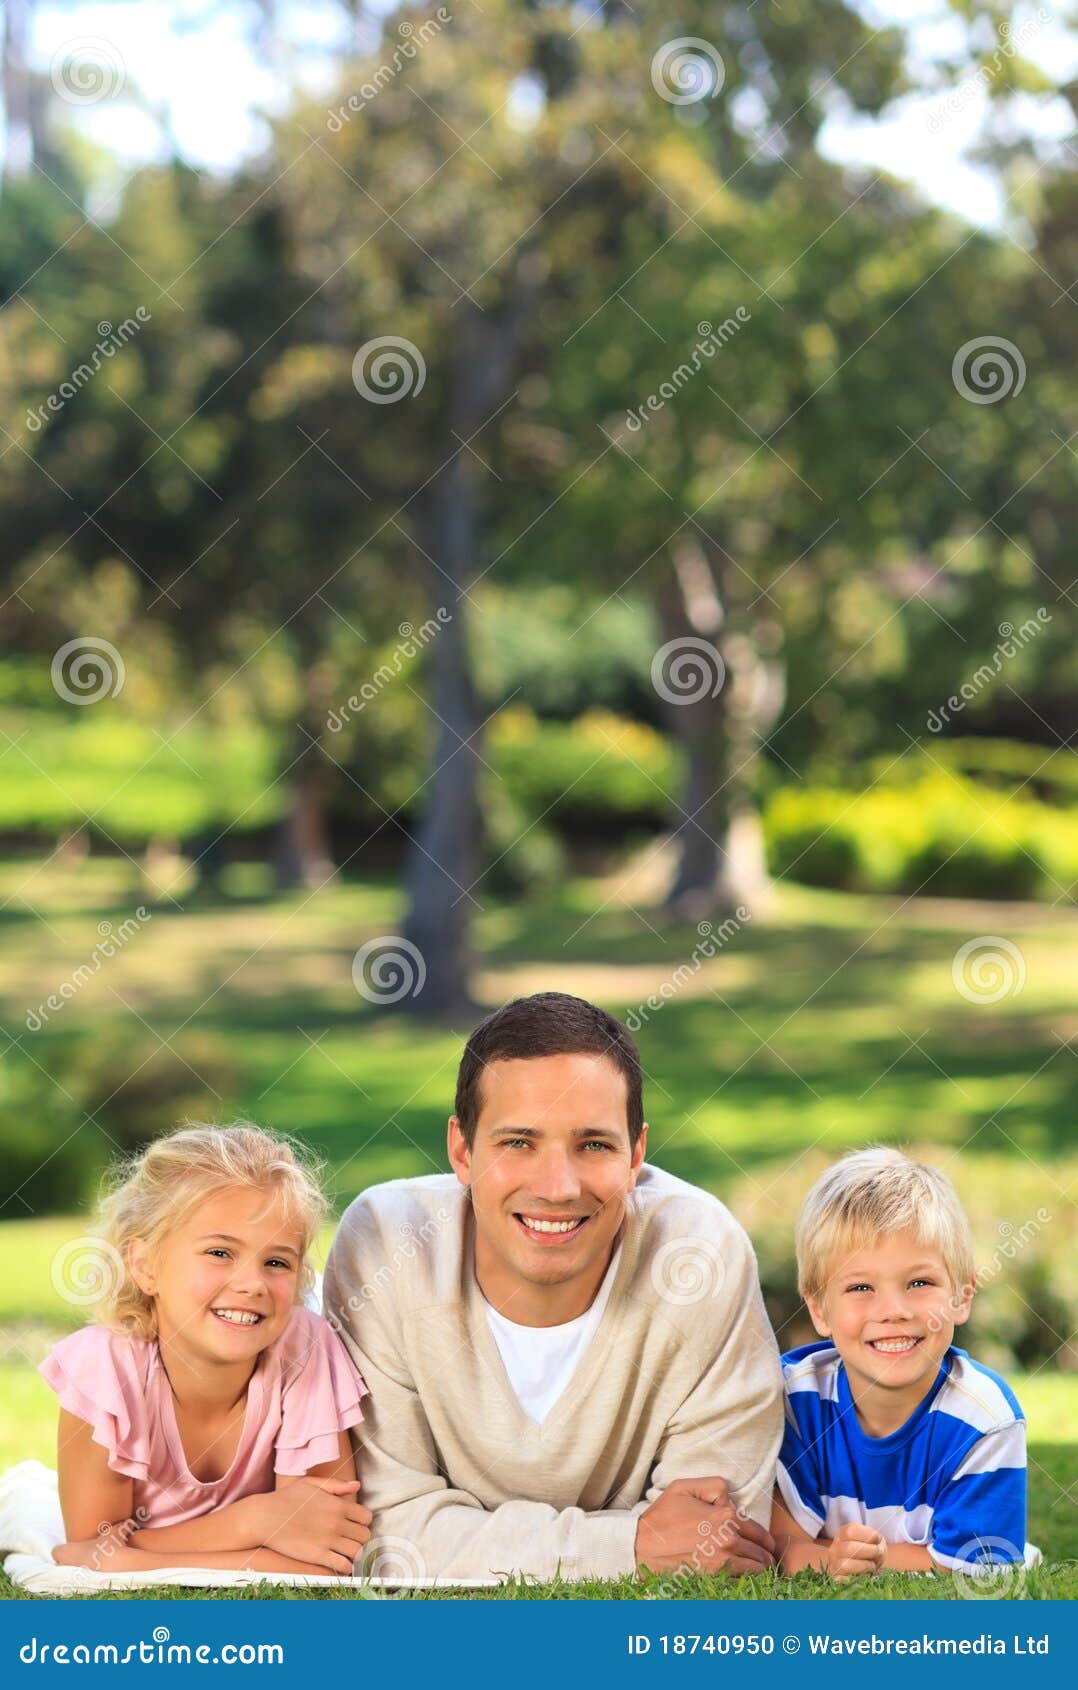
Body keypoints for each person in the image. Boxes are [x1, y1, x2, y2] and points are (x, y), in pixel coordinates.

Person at [324, 991, 783, 1584]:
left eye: (594, 1145)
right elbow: (380, 1530)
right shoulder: (388, 1244)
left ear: (636, 1152)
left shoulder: (698, 1256)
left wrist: (466, 1539)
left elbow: (719, 1539)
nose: (559, 1187)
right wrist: (629, 1546)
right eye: (519, 1143)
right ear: (462, 1151)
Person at [41, 1123, 372, 1577]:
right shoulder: (104, 1370)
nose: (252, 1284)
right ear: (144, 1264)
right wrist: (254, 1522)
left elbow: (326, 1554)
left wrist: (136, 1554)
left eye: (277, 1262)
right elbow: (91, 1552)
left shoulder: (306, 1350)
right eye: (219, 1253)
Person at [770, 1147, 1037, 1579]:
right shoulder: (791, 1399)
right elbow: (778, 1543)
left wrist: (862, 1561)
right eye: (860, 1287)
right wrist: (822, 1556)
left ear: (962, 1296)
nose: (893, 1310)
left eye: (919, 1282)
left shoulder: (984, 1419)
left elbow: (973, 1570)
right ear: (819, 1309)